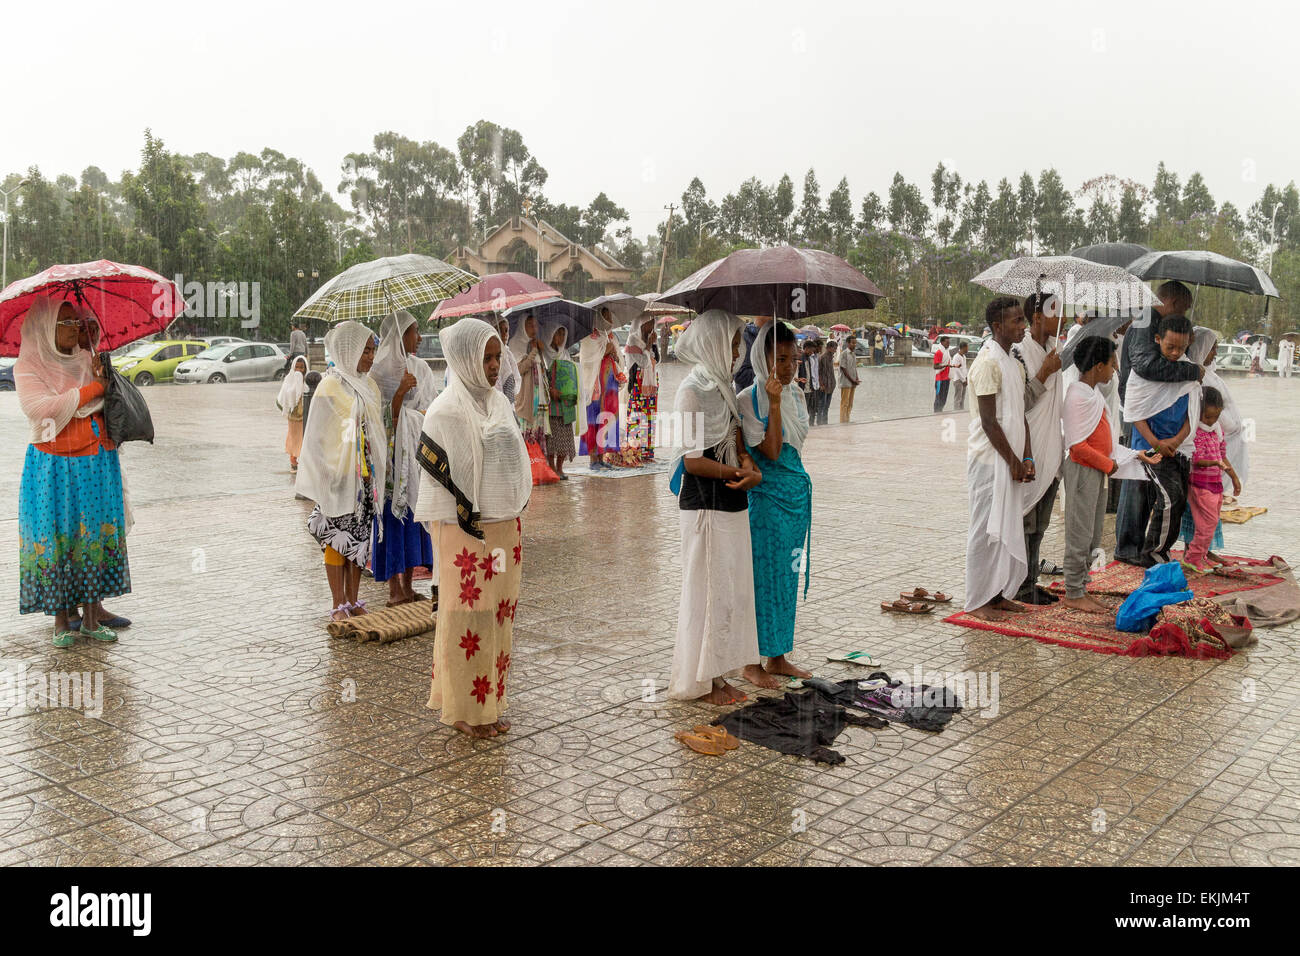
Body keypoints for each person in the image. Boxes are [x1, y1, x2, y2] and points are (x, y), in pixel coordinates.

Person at [414, 319, 531, 739]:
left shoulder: (498, 403)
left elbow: (512, 464)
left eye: (498, 356)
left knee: (498, 615)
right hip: (463, 532)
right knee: (468, 617)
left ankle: (490, 703)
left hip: (503, 530)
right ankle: (463, 711)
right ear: (464, 359)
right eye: (487, 357)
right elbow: (442, 484)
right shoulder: (445, 410)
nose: (496, 365)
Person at [668, 309, 772, 703]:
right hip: (705, 507)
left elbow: (737, 438)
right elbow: (692, 460)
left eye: (736, 345)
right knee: (708, 592)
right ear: (709, 344)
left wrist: (749, 467)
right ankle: (701, 680)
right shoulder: (692, 391)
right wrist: (735, 469)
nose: (735, 354)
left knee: (729, 592)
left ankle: (719, 673)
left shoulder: (723, 386)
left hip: (733, 500)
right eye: (729, 345)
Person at [16, 297, 131, 647]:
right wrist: (93, 390)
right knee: (59, 534)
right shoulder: (28, 365)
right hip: (52, 464)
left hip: (95, 459)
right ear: (45, 328)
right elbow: (41, 409)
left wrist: (99, 374)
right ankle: (62, 619)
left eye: (77, 321)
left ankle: (94, 614)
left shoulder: (86, 358)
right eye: (66, 322)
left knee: (93, 534)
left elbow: (99, 401)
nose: (75, 327)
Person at [1060, 337, 1158, 614]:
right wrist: (1108, 465)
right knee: (1079, 532)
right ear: (1097, 366)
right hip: (1084, 471)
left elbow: (1102, 440)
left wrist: (1134, 455)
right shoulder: (1078, 395)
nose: (1115, 369)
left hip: (1097, 470)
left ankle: (1082, 585)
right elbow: (1077, 447)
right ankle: (1073, 591)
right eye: (1112, 363)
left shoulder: (1092, 394)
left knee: (1092, 533)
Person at [738, 321, 813, 679]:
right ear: (761, 358)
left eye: (793, 358)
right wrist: (773, 401)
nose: (788, 367)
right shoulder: (749, 399)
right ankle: (752, 661)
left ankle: (779, 656)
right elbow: (770, 448)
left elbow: (798, 447)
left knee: (787, 578)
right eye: (780, 359)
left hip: (796, 500)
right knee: (762, 578)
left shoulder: (796, 394)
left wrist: (783, 397)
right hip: (767, 502)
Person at [297, 321, 385, 622]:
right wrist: (326, 472)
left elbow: (375, 427)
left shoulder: (369, 385)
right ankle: (338, 603)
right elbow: (317, 435)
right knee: (337, 538)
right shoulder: (329, 385)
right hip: (336, 476)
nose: (370, 358)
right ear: (349, 350)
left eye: (373, 351)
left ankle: (353, 598)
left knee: (359, 537)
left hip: (363, 476)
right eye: (366, 351)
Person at [964, 297, 1034, 622]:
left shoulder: (1015, 363)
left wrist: (1028, 456)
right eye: (1017, 321)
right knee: (984, 530)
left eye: (1023, 319)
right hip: (990, 462)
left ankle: (999, 593)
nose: (1024, 326)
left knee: (1005, 526)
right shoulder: (987, 362)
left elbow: (1021, 415)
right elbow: (989, 421)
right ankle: (977, 598)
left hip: (1012, 460)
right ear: (997, 327)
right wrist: (1012, 461)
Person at [369, 310, 438, 606]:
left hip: (415, 456)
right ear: (400, 336)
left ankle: (409, 584)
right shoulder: (379, 373)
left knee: (414, 517)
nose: (419, 338)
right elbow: (379, 419)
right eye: (414, 332)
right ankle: (393, 589)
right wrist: (398, 394)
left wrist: (420, 416)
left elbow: (431, 408)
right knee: (394, 519)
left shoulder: (420, 367)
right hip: (392, 461)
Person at [1119, 314, 1199, 567]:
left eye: (1182, 348)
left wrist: (1177, 439)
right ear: (1157, 339)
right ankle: (1154, 553)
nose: (1176, 353)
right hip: (1150, 449)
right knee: (1169, 498)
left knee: (1179, 500)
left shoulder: (1187, 370)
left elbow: (1193, 412)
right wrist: (1157, 443)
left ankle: (1161, 549)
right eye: (1170, 347)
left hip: (1177, 448)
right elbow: (1134, 413)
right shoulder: (1144, 374)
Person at [1177, 327, 1250, 561]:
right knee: (1198, 511)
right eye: (1212, 348)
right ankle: (1194, 552)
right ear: (1200, 348)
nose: (1215, 353)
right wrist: (1219, 425)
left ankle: (1206, 549)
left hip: (1218, 449)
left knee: (1211, 510)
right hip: (1202, 466)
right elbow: (1204, 411)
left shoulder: (1210, 373)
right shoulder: (1198, 377)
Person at [1014, 293, 1065, 605]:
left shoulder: (1051, 349)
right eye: (1053, 314)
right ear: (1036, 318)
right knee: (1025, 522)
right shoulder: (1020, 353)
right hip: (1030, 447)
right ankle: (1019, 585)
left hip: (1051, 448)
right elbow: (1020, 403)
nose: (1059, 320)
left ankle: (1031, 580)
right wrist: (1045, 372)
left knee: (1040, 525)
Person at [1184, 386, 1242, 572]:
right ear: (1197, 412)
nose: (1211, 421)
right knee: (1207, 524)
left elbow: (1222, 454)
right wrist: (1215, 464)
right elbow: (1197, 459)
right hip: (1200, 485)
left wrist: (1233, 477)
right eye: (1207, 417)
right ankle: (1193, 557)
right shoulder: (1196, 432)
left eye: (1215, 417)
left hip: (1215, 484)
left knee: (1211, 522)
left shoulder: (1217, 430)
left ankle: (1200, 556)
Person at [579, 309, 625, 469]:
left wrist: (614, 354)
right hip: (594, 386)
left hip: (609, 387)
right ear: (599, 318)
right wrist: (606, 350)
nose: (609, 320)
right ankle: (593, 458)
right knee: (594, 418)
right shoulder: (588, 337)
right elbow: (587, 359)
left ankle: (602, 455)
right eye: (606, 316)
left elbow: (620, 360)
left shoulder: (610, 336)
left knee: (607, 418)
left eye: (610, 317)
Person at [510, 313, 550, 453]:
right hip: (526, 399)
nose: (534, 329)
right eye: (530, 325)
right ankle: (529, 468)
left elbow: (541, 369)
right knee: (526, 432)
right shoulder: (516, 344)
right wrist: (533, 351)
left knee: (538, 431)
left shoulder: (535, 343)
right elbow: (519, 369)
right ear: (522, 326)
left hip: (539, 398)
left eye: (535, 325)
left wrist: (539, 350)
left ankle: (539, 468)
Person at [545, 322, 579, 479]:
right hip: (552, 404)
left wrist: (572, 394)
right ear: (551, 334)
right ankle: (551, 467)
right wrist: (550, 390)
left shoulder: (565, 354)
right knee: (552, 439)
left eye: (563, 334)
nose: (561, 337)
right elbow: (542, 377)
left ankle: (560, 467)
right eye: (558, 333)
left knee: (565, 437)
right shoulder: (544, 354)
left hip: (565, 404)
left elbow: (572, 376)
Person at [624, 314, 659, 460]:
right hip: (637, 384)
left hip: (651, 384)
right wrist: (649, 346)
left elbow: (656, 360)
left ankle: (647, 452)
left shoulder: (651, 338)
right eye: (648, 324)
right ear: (640, 324)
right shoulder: (633, 339)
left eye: (652, 323)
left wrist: (653, 345)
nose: (650, 327)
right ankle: (634, 451)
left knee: (649, 417)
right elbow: (642, 363)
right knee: (637, 417)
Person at [276, 354, 310, 474]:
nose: (299, 370)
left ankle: (304, 461)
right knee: (293, 437)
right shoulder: (289, 379)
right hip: (293, 416)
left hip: (305, 416)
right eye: (297, 367)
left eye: (302, 367)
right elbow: (284, 395)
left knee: (303, 438)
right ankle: (293, 461)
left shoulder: (308, 379)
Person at [732, 315, 773, 392]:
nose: (772, 318)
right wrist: (769, 375)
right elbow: (740, 375)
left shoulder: (771, 339)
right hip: (750, 398)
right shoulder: (746, 338)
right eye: (768, 314)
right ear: (758, 315)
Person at [495, 317, 521, 403]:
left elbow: (516, 379)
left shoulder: (508, 353)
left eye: (506, 330)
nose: (504, 334)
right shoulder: (495, 354)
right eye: (499, 330)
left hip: (509, 402)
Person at [837, 334, 860, 422]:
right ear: (848, 343)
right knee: (844, 403)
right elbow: (843, 368)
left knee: (850, 403)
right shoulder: (844, 354)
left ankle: (847, 419)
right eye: (852, 343)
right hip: (846, 382)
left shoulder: (853, 354)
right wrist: (852, 380)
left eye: (855, 343)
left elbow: (854, 367)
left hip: (853, 382)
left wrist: (856, 378)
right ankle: (842, 421)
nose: (854, 345)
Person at [797, 339, 820, 425]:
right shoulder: (800, 359)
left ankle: (810, 425)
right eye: (811, 350)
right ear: (806, 348)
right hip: (803, 389)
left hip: (810, 388)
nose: (812, 353)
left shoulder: (809, 358)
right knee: (804, 410)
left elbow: (810, 373)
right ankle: (804, 425)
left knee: (811, 408)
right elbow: (798, 374)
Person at [817, 339, 836, 426]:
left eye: (836, 348)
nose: (835, 350)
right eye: (834, 348)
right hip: (824, 385)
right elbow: (819, 372)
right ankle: (820, 424)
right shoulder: (823, 357)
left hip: (830, 385)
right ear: (828, 348)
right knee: (822, 406)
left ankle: (825, 423)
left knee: (826, 407)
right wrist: (821, 384)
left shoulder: (831, 357)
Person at [933, 335, 952, 412]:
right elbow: (935, 366)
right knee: (939, 397)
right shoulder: (939, 352)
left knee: (944, 397)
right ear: (942, 342)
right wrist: (945, 365)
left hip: (947, 378)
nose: (948, 344)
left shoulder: (947, 352)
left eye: (949, 342)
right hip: (939, 379)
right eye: (947, 342)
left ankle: (940, 411)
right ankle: (936, 412)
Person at [950, 342, 969, 411]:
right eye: (967, 347)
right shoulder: (956, 357)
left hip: (964, 379)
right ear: (963, 348)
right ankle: (956, 412)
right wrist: (963, 380)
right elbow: (956, 370)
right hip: (958, 380)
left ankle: (961, 411)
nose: (968, 349)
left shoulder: (964, 357)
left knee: (962, 398)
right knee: (958, 398)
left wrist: (966, 378)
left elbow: (964, 368)